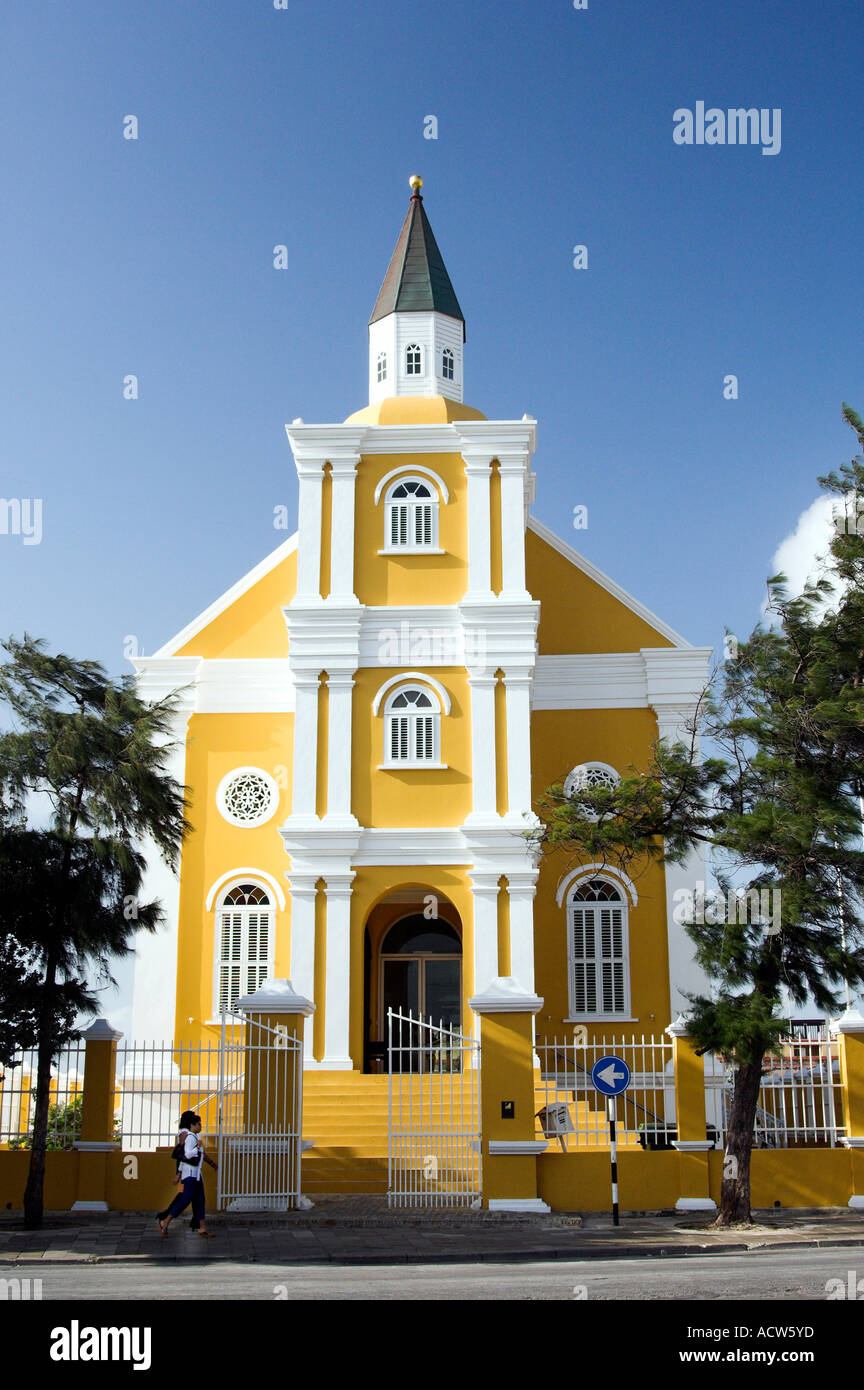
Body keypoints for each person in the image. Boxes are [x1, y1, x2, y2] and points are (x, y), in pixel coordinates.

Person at [157, 1113, 217, 1237]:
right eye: (199, 1124)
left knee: (200, 1200)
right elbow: (187, 1155)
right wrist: (197, 1148)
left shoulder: (195, 1137)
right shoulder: (189, 1137)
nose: (201, 1126)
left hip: (196, 1174)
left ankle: (202, 1227)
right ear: (192, 1125)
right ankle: (165, 1222)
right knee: (185, 1200)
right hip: (189, 1175)